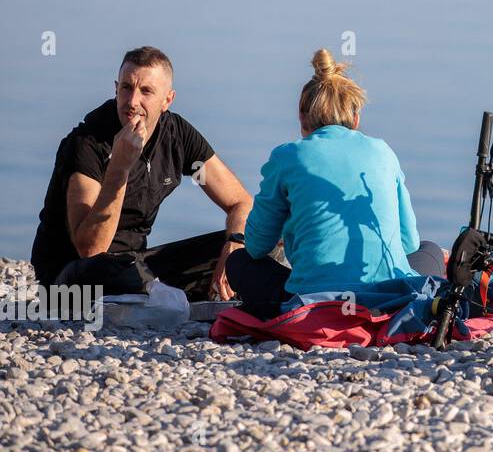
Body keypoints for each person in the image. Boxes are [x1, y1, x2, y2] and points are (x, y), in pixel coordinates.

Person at [224, 49, 444, 317]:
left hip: (312, 299)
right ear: (356, 118)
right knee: (430, 250)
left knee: (238, 262)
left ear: (301, 117)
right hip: (389, 296)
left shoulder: (287, 156)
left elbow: (256, 247)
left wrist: (289, 232)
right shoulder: (383, 152)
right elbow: (409, 244)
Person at [32, 46, 253, 302]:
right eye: (126, 87)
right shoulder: (88, 142)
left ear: (167, 100)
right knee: (111, 270)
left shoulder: (177, 135)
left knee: (262, 244)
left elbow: (240, 202)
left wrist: (236, 244)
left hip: (137, 266)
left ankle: (166, 295)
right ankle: (167, 296)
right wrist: (119, 169)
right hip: (74, 278)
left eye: (146, 91)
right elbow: (90, 249)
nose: (132, 101)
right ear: (116, 88)